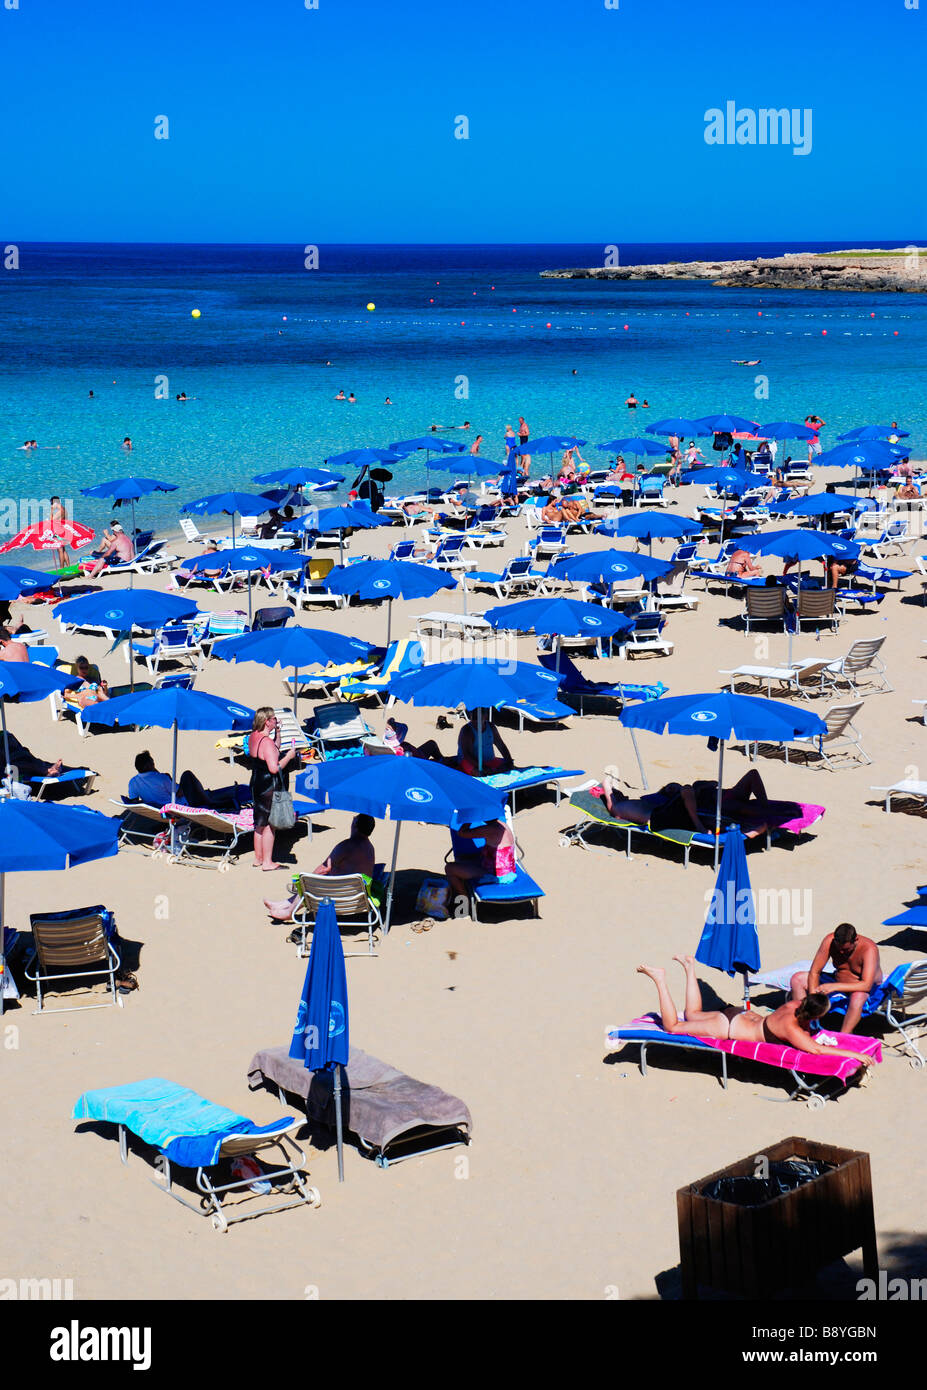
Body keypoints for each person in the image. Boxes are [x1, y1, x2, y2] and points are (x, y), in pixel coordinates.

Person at [636, 955, 874, 1068]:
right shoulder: (792, 1028)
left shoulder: (794, 1005)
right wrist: (854, 1055)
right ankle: (659, 979)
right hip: (727, 1027)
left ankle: (689, 968)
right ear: (814, 1016)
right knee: (673, 1027)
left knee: (692, 1015)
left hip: (736, 1015)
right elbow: (817, 1049)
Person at [600, 767, 779, 839]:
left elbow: (714, 784)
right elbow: (609, 796)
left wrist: (698, 788)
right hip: (663, 818)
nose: (673, 787)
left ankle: (758, 820)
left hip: (671, 814)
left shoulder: (688, 792)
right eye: (670, 787)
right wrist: (609, 788)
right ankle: (751, 831)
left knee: (753, 774)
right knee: (689, 793)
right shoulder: (619, 807)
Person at [264, 814, 378, 921]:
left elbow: (323, 868)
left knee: (310, 882)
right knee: (319, 880)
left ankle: (289, 912)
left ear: (355, 824)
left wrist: (303, 881)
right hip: (357, 899)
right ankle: (284, 904)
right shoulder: (370, 847)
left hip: (338, 898)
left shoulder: (346, 846)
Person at [790, 923, 883, 1034]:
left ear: (856, 939)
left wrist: (833, 987)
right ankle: (805, 1025)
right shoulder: (829, 941)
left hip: (864, 988)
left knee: (858, 997)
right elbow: (815, 972)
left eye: (846, 950)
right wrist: (814, 999)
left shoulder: (869, 949)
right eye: (839, 949)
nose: (841, 953)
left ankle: (844, 1035)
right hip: (837, 980)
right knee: (797, 979)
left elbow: (866, 985)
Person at [247, 707, 297, 870]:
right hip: (269, 785)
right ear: (267, 721)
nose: (276, 721)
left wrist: (278, 733)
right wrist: (289, 757)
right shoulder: (266, 742)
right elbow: (274, 767)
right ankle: (267, 862)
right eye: (274, 719)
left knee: (259, 823)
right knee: (270, 824)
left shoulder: (254, 736)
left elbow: (272, 749)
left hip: (257, 782)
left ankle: (258, 858)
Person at [446, 817, 517, 902]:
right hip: (508, 871)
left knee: (449, 868)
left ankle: (465, 900)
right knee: (465, 860)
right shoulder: (503, 825)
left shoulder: (490, 829)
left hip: (495, 875)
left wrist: (469, 818)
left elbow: (462, 833)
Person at [457, 711, 513, 776]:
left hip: (490, 759)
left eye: (478, 717)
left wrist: (509, 760)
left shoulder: (491, 727)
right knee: (480, 773)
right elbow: (467, 754)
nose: (476, 720)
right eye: (474, 718)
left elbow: (500, 745)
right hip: (469, 761)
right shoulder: (467, 731)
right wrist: (483, 766)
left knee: (508, 768)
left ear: (485, 716)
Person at [49, 495, 71, 569]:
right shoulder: (63, 509)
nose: (51, 505)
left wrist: (51, 511)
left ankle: (62, 568)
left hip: (59, 532)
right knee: (63, 550)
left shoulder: (59, 511)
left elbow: (51, 521)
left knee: (60, 550)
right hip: (63, 531)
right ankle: (68, 566)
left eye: (51, 503)